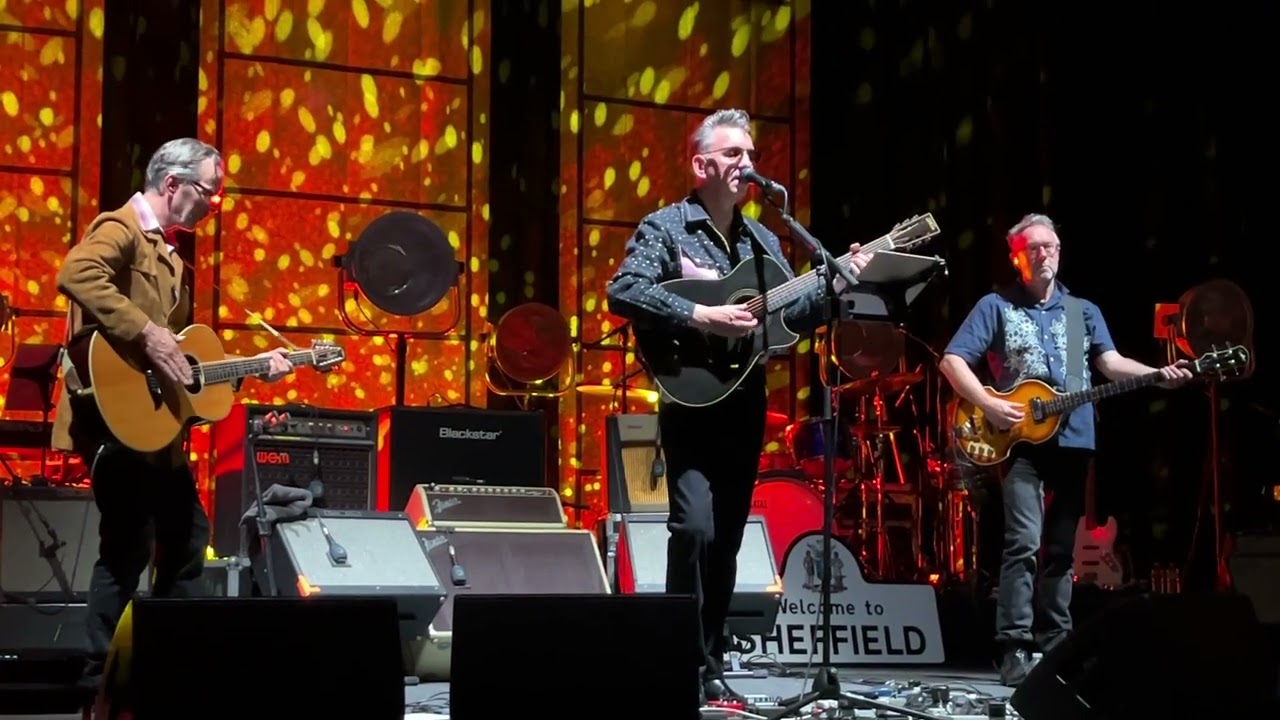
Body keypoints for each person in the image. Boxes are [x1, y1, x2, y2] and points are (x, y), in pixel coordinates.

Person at [606, 108, 873, 702]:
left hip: (744, 400)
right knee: (694, 529)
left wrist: (834, 284)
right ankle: (673, 657)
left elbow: (787, 322)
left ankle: (708, 662)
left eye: (750, 155)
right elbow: (624, 292)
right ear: (701, 166)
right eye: (732, 155)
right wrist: (702, 314)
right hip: (692, 400)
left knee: (727, 536)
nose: (745, 165)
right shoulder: (667, 227)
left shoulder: (762, 239)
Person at [52, 138, 294, 693]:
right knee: (128, 547)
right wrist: (149, 333)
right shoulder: (119, 228)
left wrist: (257, 365)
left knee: (186, 541)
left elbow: (184, 364)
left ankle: (162, 664)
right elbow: (78, 274)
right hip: (114, 425)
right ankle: (100, 679)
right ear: (172, 184)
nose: (214, 204)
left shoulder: (176, 259)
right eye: (210, 191)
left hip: (156, 431)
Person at [937, 213, 1192, 686]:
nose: (1044, 253)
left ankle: (1056, 647)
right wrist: (988, 404)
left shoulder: (1083, 312)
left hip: (1074, 440)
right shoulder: (996, 306)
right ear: (1017, 256)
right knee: (1023, 544)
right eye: (1033, 247)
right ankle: (1013, 645)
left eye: (1050, 246)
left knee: (1059, 551)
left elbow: (1110, 363)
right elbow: (952, 360)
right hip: (1018, 444)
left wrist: (1158, 374)